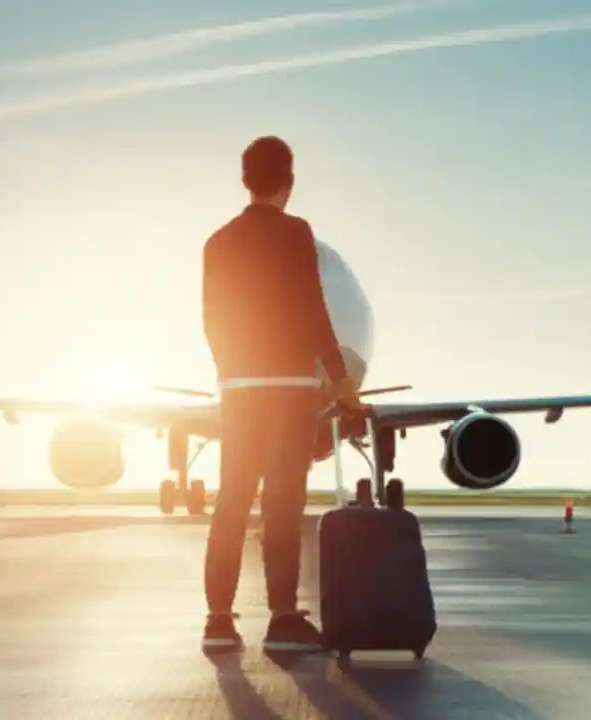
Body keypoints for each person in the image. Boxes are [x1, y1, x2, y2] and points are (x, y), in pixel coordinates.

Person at [200, 135, 360, 653]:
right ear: (288, 183)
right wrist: (340, 380)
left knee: (232, 498)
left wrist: (232, 371)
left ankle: (219, 622)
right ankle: (283, 619)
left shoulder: (217, 242)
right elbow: (314, 311)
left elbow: (211, 321)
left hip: (239, 389)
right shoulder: (296, 234)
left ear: (245, 180)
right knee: (283, 501)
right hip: (291, 388)